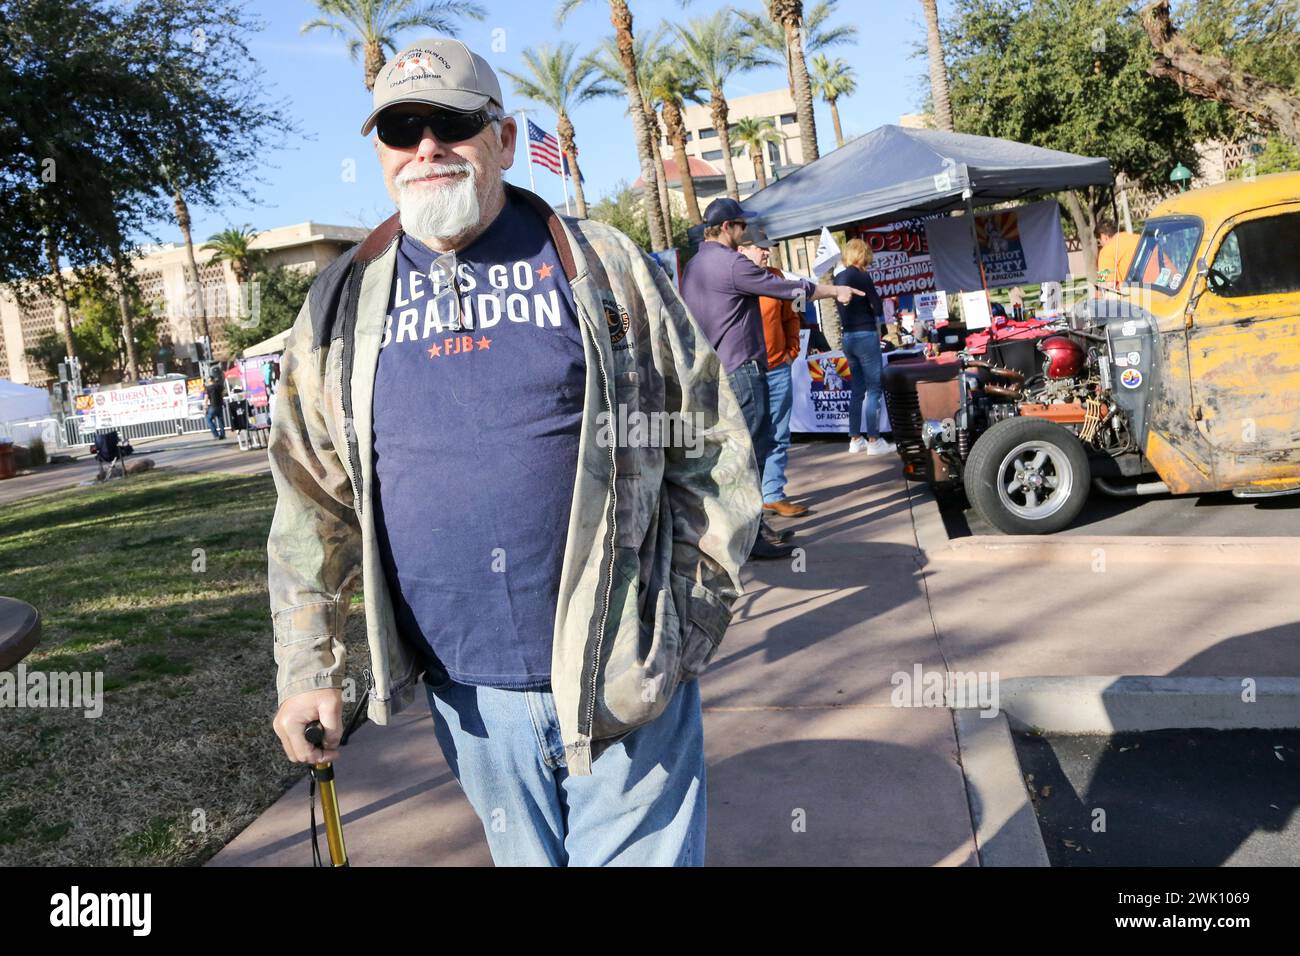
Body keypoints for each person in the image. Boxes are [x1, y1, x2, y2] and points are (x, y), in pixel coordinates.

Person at [267, 38, 761, 867]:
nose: (427, 146)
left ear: (500, 136)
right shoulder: (341, 300)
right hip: (466, 693)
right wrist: (307, 665)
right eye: (402, 128)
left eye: (453, 122)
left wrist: (685, 627)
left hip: (625, 664)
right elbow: (308, 497)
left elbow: (709, 445)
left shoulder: (602, 264)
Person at [680, 197, 864, 558]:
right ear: (728, 227)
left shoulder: (695, 265)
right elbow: (789, 290)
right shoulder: (730, 264)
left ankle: (740, 533)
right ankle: (751, 539)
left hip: (714, 375)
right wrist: (835, 290)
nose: (745, 234)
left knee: (732, 456)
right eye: (741, 227)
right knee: (754, 454)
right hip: (742, 371)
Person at [737, 223, 807, 519]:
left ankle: (773, 495)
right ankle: (747, 503)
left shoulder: (777, 278)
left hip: (778, 368)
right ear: (742, 249)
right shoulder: (733, 279)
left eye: (768, 247)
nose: (767, 252)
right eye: (760, 247)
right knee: (749, 437)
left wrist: (792, 351)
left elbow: (792, 317)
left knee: (778, 434)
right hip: (743, 371)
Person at [833, 239, 895, 456]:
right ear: (863, 255)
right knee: (874, 389)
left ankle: (855, 439)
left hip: (847, 336)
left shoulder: (838, 277)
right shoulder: (862, 276)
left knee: (857, 390)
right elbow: (877, 305)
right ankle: (874, 440)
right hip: (865, 335)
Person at [1096, 218, 1139, 286]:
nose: (1101, 245)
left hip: (1133, 294)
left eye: (1099, 241)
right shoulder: (1138, 238)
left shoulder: (1105, 252)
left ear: (1104, 237)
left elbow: (1107, 285)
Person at [203, 370, 226, 440]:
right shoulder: (219, 386)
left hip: (213, 406)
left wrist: (205, 407)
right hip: (220, 405)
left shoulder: (208, 388)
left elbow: (206, 399)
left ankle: (216, 434)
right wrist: (223, 402)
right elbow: (222, 395)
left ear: (209, 381)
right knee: (220, 420)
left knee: (208, 419)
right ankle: (222, 434)